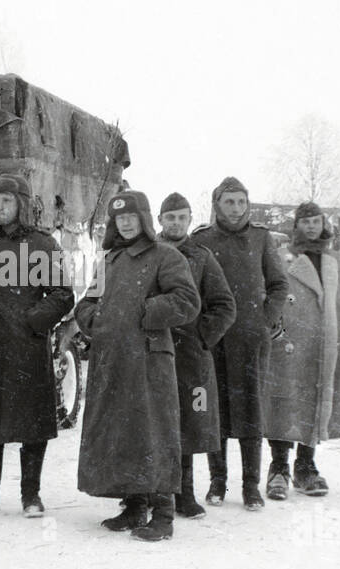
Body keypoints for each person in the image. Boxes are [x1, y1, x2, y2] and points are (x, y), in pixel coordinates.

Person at [76, 190, 199, 542]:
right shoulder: (109, 260)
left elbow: (187, 301)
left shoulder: (167, 256)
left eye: (131, 217)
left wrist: (142, 312)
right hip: (111, 362)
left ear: (144, 219)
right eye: (119, 218)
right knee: (122, 432)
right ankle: (133, 506)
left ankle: (163, 514)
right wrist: (95, 319)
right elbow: (87, 302)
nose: (125, 223)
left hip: (148, 361)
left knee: (154, 433)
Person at [0, 173, 75, 517]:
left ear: (21, 205)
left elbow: (62, 294)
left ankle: (31, 495)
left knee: (32, 424)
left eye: (7, 200)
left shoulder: (42, 245)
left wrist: (32, 321)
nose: (0, 207)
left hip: (27, 348)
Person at [191, 176, 289, 506]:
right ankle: (217, 482)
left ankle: (250, 486)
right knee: (213, 410)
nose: (236, 208)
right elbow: (192, 286)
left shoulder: (261, 239)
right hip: (214, 340)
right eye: (229, 201)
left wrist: (265, 319)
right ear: (217, 203)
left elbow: (278, 285)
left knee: (251, 412)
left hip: (251, 340)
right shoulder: (202, 240)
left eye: (241, 201)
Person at [266, 202, 340, 496]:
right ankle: (278, 469)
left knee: (315, 402)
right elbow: (269, 297)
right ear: (296, 226)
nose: (311, 226)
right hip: (288, 347)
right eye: (305, 221)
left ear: (324, 224)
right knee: (283, 404)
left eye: (316, 221)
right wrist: (276, 337)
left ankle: (306, 467)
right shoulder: (282, 258)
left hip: (324, 348)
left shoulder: (337, 261)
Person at [157, 192, 237, 519]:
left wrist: (202, 336)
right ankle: (147, 492)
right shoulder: (149, 253)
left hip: (192, 360)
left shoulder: (202, 257)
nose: (176, 223)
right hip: (154, 354)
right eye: (170, 217)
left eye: (181, 217)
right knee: (153, 422)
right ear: (159, 221)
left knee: (191, 420)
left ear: (190, 220)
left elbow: (225, 305)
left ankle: (184, 494)